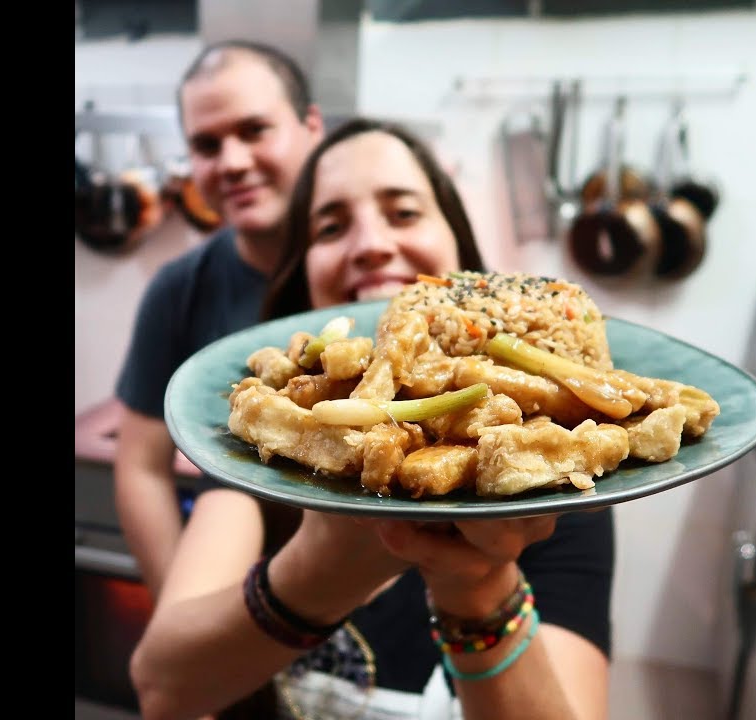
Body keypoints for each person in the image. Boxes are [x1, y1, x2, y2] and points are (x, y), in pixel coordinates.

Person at [129, 118, 616, 720]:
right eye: (330, 227)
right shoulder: (261, 453)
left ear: (461, 252)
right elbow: (162, 688)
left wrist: (478, 586)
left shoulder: (558, 473)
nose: (371, 243)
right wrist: (326, 566)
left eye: (404, 213)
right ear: (303, 275)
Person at [112, 39, 325, 604]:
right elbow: (140, 466)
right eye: (206, 145)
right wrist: (179, 613)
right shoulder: (178, 289)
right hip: (234, 583)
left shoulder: (370, 271)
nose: (231, 162)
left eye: (254, 130)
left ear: (311, 127)